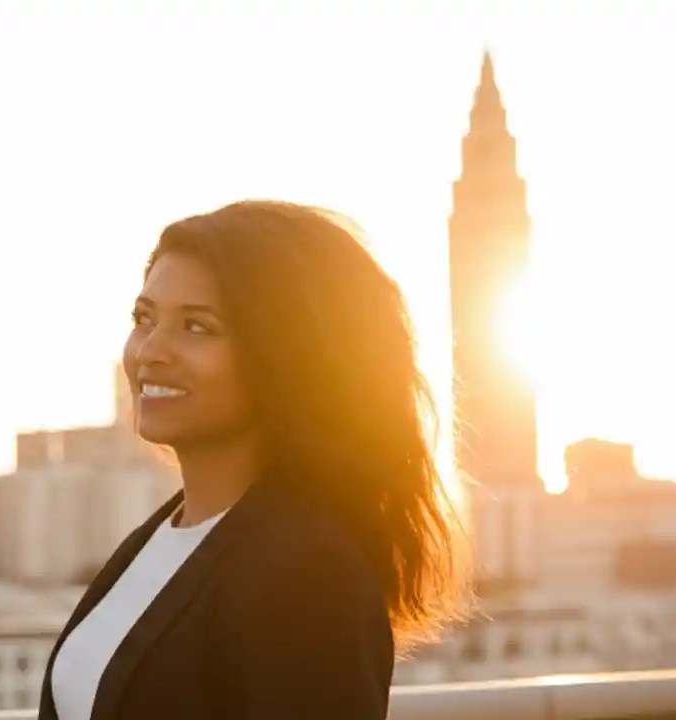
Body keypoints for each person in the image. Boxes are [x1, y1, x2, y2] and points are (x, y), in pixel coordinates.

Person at [39, 201, 470, 719]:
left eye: (197, 327)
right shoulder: (159, 540)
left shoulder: (308, 572)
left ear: (285, 360)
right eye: (144, 318)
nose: (151, 349)